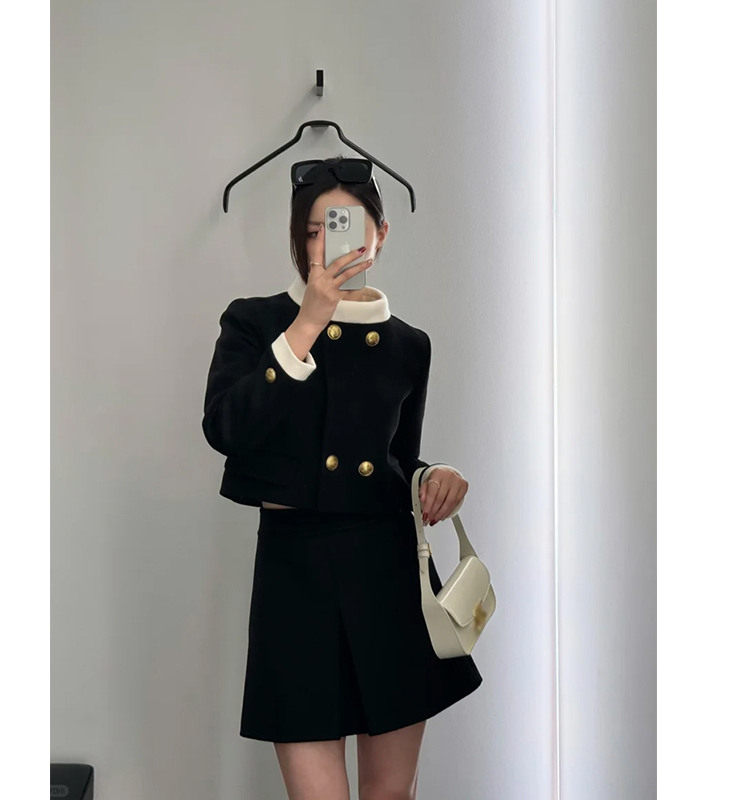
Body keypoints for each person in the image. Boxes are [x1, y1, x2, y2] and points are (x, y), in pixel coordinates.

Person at [202, 156, 482, 800]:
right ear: (298, 239)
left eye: (347, 227)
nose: (328, 244)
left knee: (390, 796)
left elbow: (390, 459)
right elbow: (225, 428)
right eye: (313, 231)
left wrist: (433, 474)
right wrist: (306, 324)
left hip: (387, 575)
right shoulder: (254, 322)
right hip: (295, 576)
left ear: (380, 234)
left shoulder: (409, 344)